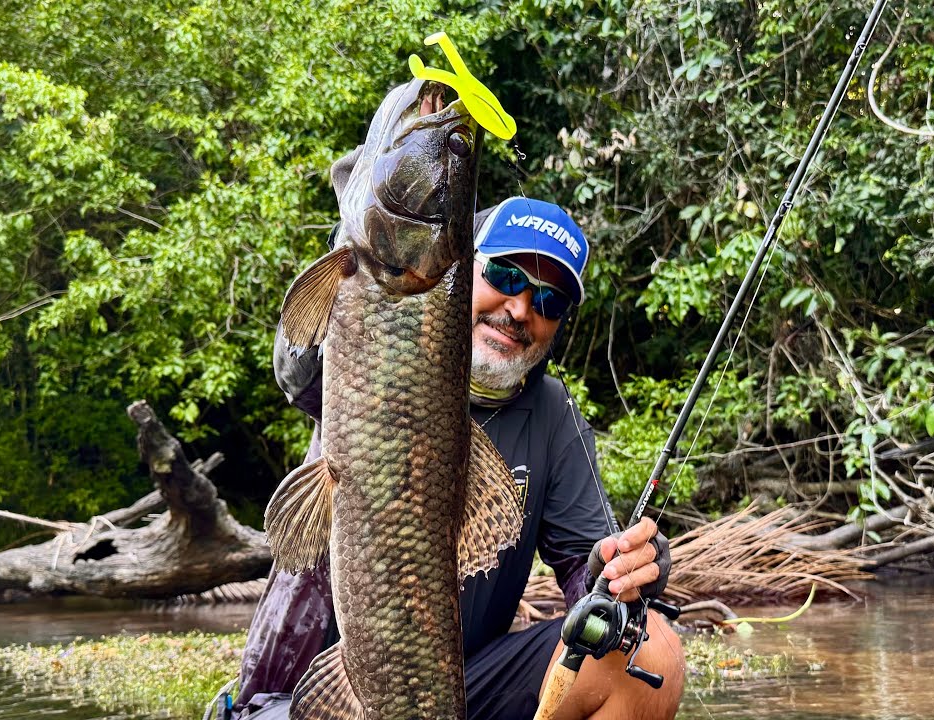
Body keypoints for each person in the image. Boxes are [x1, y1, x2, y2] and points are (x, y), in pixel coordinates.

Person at [236, 197, 685, 720]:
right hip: (303, 697)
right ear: (458, 265)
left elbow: (590, 578)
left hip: (454, 691)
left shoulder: (553, 415)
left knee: (647, 649)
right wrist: (366, 217)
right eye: (504, 274)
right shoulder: (381, 348)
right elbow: (297, 366)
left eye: (549, 301)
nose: (520, 309)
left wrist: (628, 573)